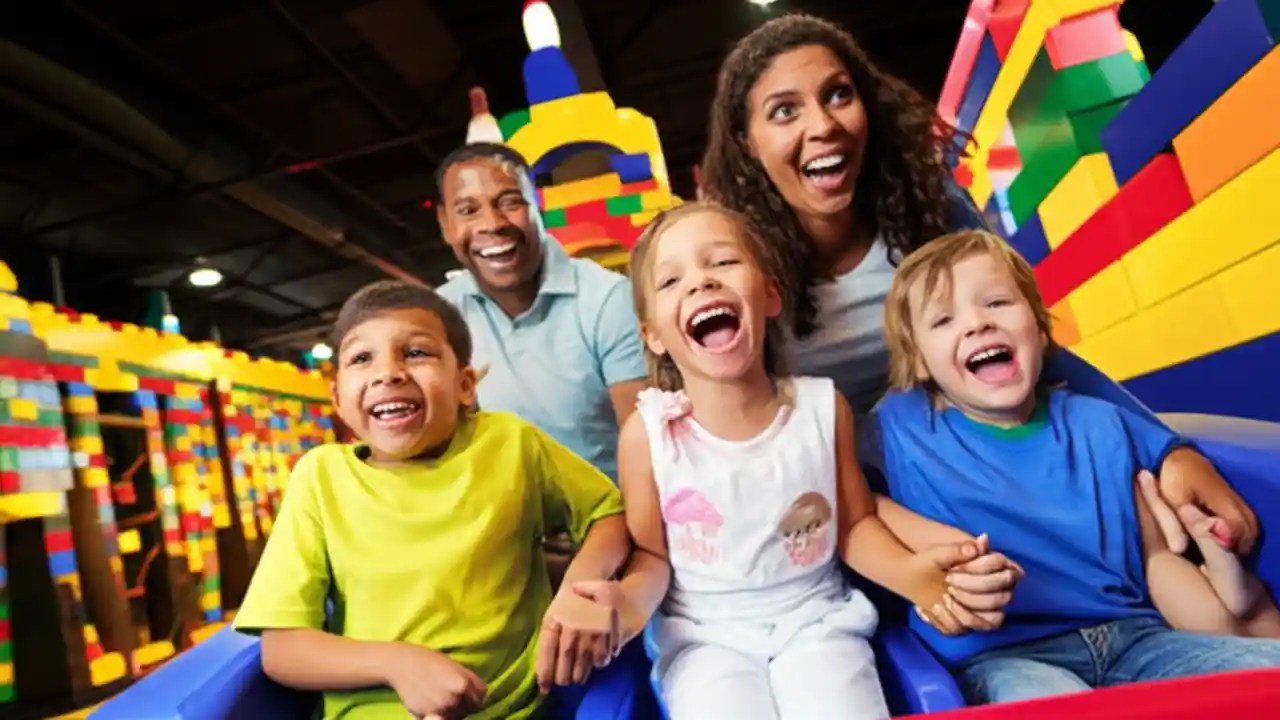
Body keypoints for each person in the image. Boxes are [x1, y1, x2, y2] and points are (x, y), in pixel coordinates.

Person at [697, 13, 1261, 554]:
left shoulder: (928, 210)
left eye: (838, 94)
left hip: (971, 479)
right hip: (834, 511)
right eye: (784, 111)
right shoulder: (736, 265)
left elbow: (1034, 346)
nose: (822, 125)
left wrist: (1166, 450)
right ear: (747, 142)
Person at [574, 203, 1023, 719]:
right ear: (652, 333)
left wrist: (913, 576)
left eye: (721, 262)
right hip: (704, 640)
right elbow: (652, 557)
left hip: (819, 622)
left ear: (768, 294)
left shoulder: (820, 409)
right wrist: (626, 605)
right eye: (672, 280)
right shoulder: (648, 435)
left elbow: (855, 526)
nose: (701, 283)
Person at [873, 228, 1280, 705]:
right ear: (919, 361)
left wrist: (1225, 573)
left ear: (1040, 331)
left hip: (1135, 639)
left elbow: (1158, 557)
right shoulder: (899, 428)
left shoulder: (1101, 424)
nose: (977, 324)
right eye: (944, 319)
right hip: (1008, 657)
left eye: (998, 303)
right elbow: (841, 500)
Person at [233, 281, 631, 720]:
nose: (389, 373)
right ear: (338, 400)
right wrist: (396, 663)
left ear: (464, 386)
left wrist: (578, 593)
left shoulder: (510, 443)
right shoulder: (320, 477)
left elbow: (608, 515)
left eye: (416, 353)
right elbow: (283, 649)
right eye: (362, 359)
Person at [434, 142, 646, 483]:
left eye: (510, 202)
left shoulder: (606, 299)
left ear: (538, 205)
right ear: (445, 224)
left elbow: (647, 450)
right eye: (468, 210)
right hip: (505, 523)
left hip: (614, 515)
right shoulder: (438, 317)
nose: (492, 223)